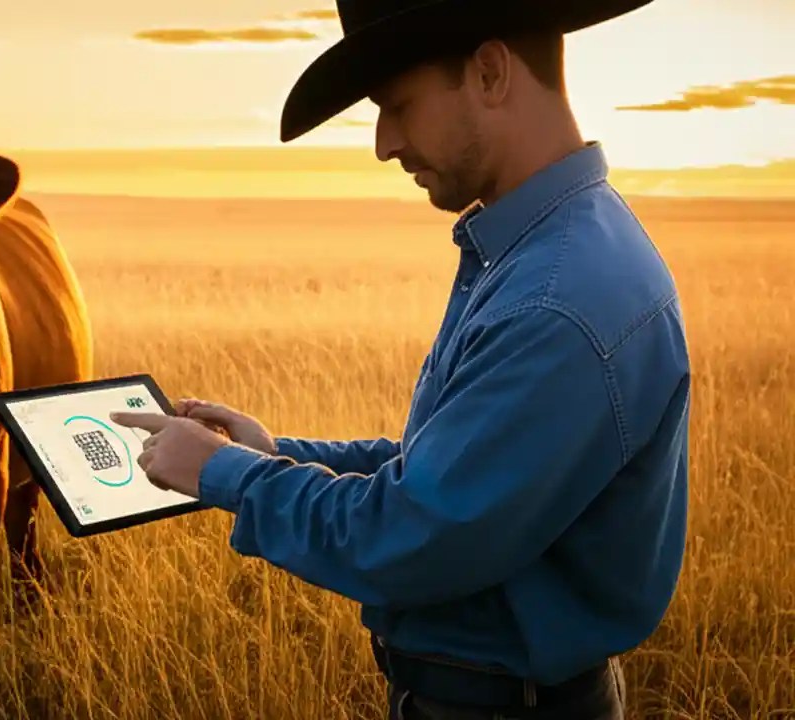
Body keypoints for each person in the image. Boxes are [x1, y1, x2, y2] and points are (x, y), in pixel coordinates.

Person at [109, 0, 691, 718]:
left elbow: (413, 536)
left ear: (489, 72)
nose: (384, 143)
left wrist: (225, 474)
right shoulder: (546, 254)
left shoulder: (554, 300)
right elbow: (451, 473)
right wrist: (271, 452)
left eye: (398, 106)